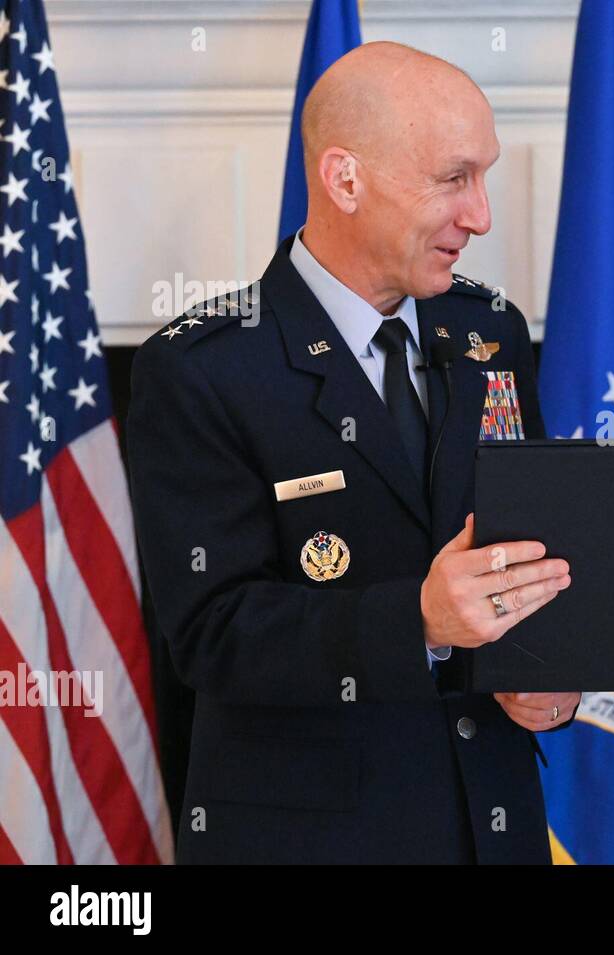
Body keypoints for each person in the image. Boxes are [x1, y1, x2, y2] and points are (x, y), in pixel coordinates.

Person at [127, 42, 577, 864]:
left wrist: (552, 675)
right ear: (344, 179)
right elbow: (211, 632)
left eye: (486, 179)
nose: (480, 216)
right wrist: (420, 620)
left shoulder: (490, 332)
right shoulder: (203, 367)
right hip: (312, 838)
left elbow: (531, 550)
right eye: (454, 179)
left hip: (494, 824)